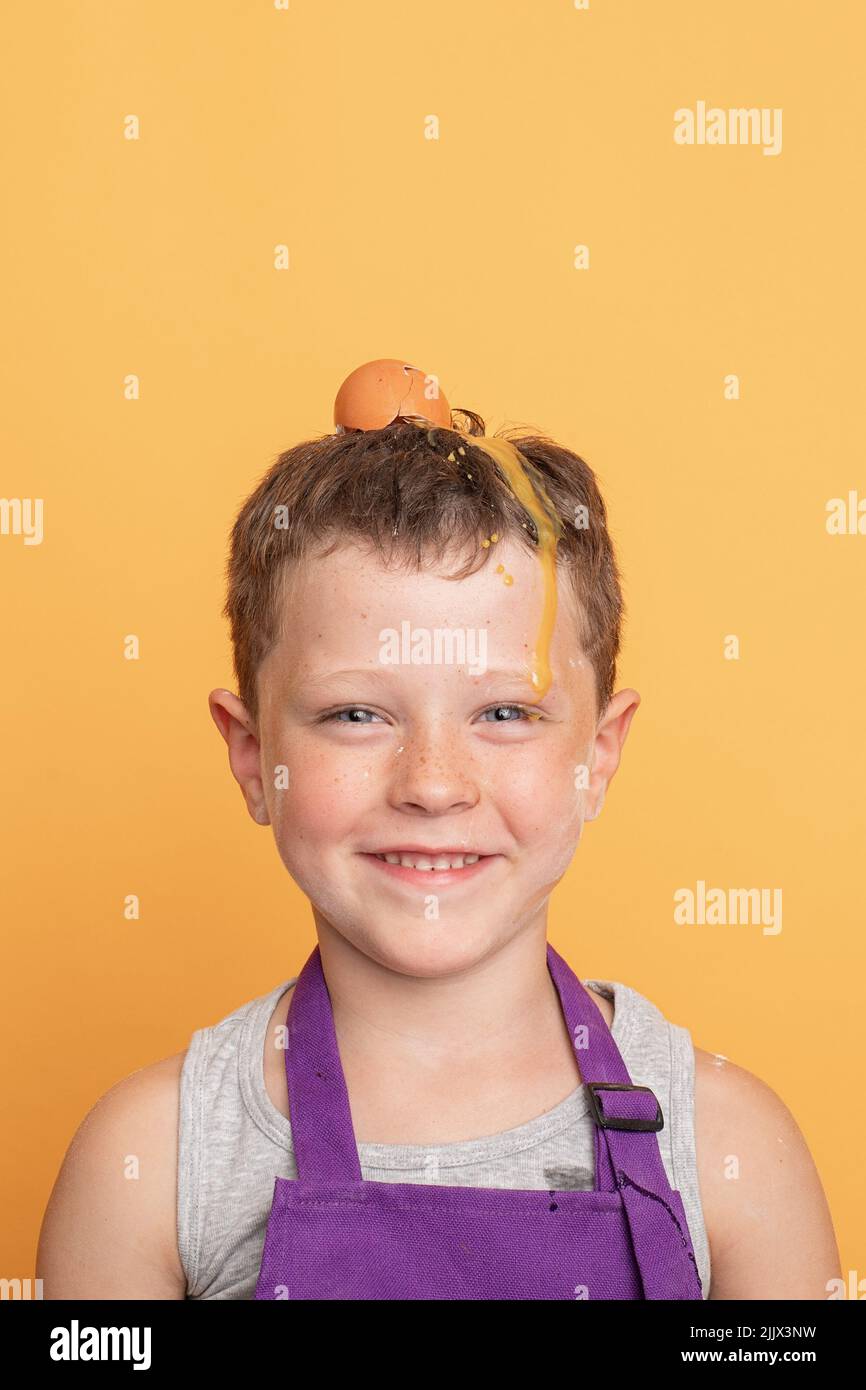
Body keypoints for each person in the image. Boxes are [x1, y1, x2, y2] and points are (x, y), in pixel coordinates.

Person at [37, 362, 841, 1299]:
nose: (432, 784)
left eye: (504, 713)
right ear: (253, 755)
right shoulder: (149, 1168)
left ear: (601, 756)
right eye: (355, 716)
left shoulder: (735, 1153)